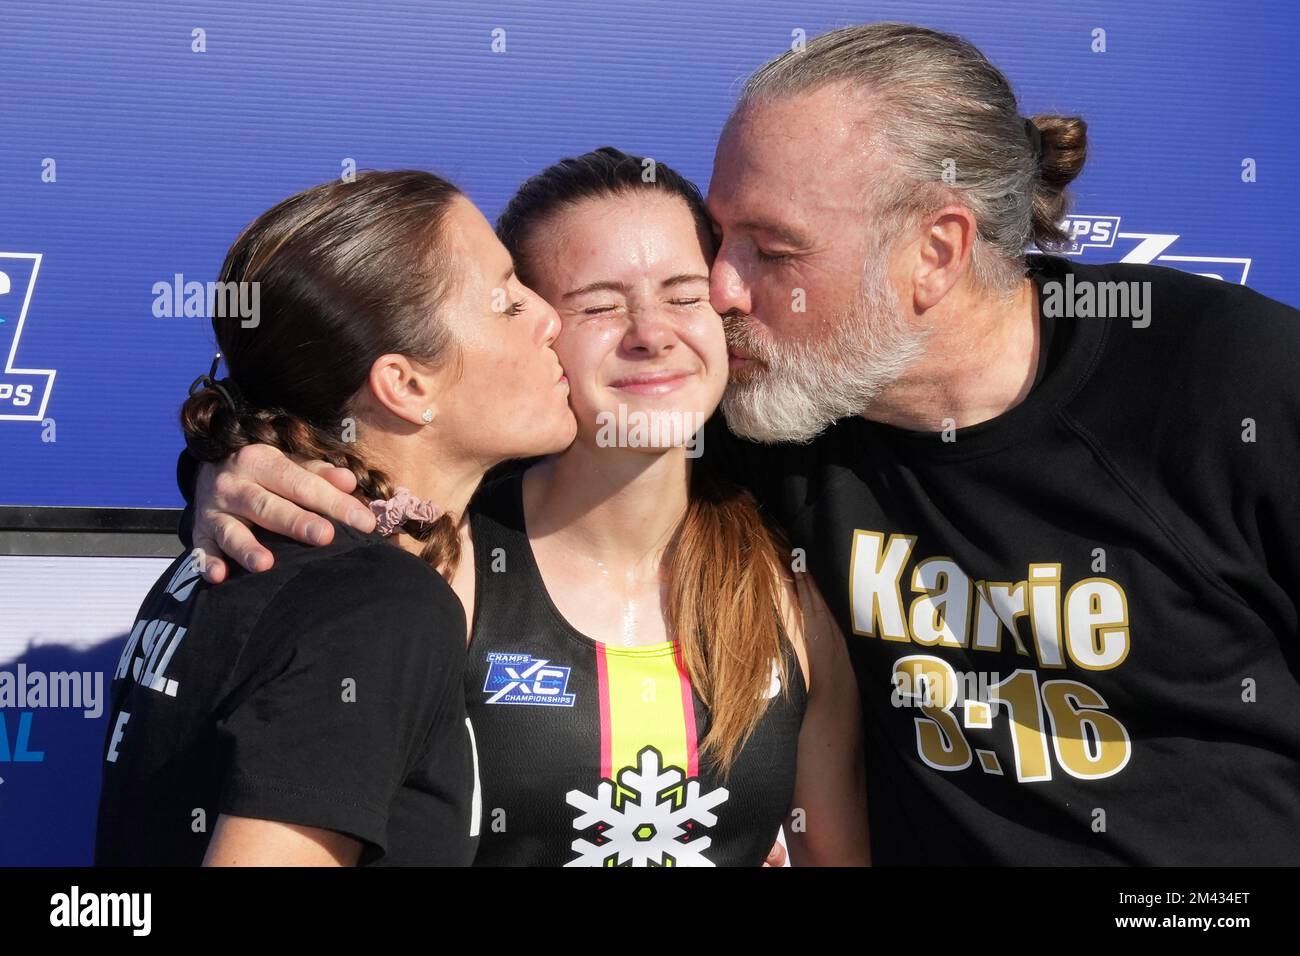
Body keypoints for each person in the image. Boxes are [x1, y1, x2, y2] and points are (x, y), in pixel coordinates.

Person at [178, 23, 1300, 865]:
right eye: (722, 239)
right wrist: (249, 467)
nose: (715, 296)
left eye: (769, 249)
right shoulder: (766, 404)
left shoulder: (1229, 385)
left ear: (935, 251)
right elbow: (424, 423)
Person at [176, 150, 870, 867]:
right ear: (536, 329)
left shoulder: (791, 581)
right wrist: (224, 464)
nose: (651, 331)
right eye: (598, 304)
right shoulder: (437, 566)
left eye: (684, 294)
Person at [94, 170, 577, 865]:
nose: (548, 316)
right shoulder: (380, 608)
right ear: (406, 385)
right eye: (506, 302)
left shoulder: (230, 557)